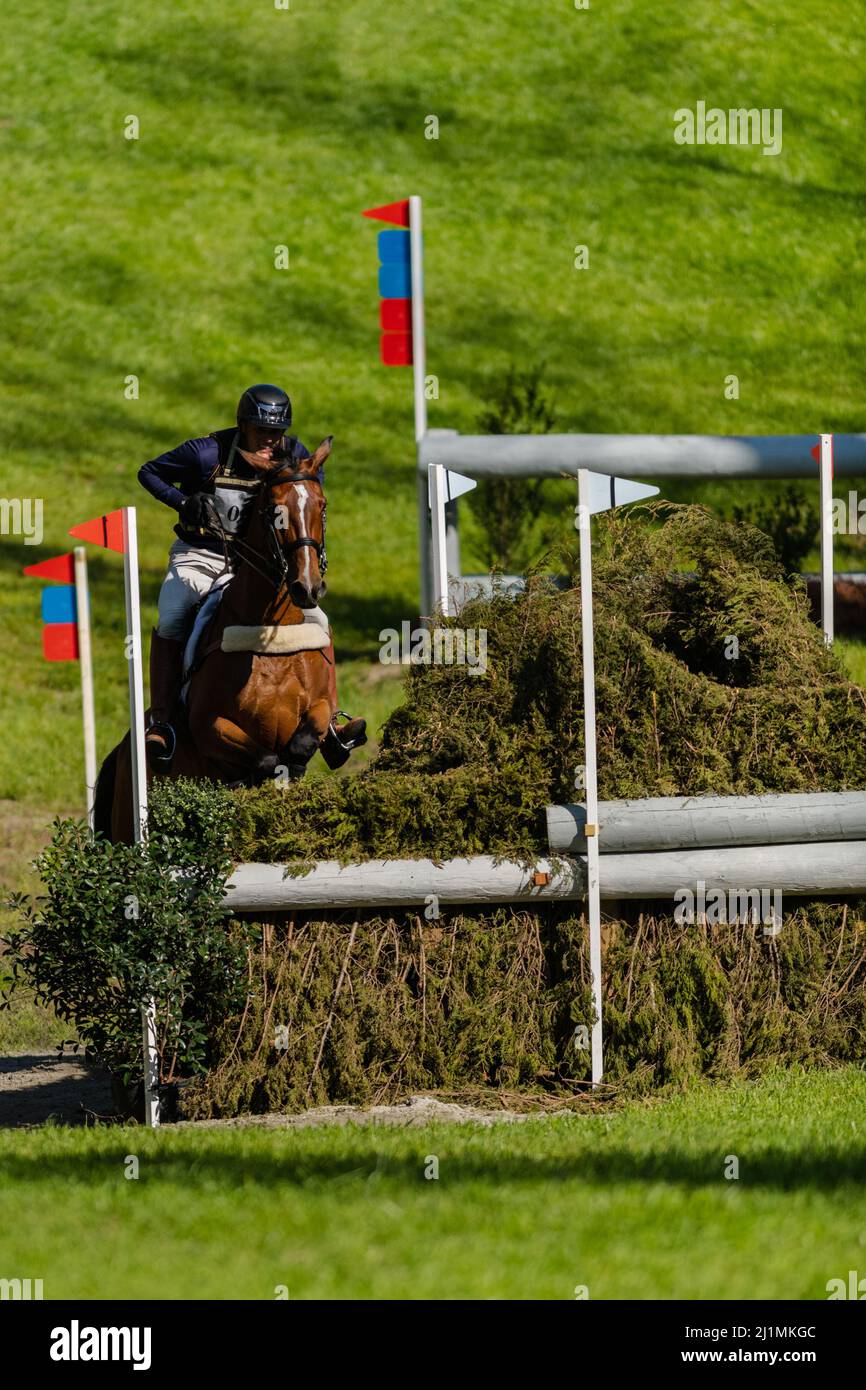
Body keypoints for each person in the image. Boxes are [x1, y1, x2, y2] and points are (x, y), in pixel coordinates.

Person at [137, 382, 366, 770]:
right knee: (174, 612)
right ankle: (162, 721)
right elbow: (149, 472)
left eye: (276, 433)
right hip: (201, 554)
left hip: (258, 563)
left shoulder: (293, 453)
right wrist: (183, 501)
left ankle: (330, 726)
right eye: (262, 432)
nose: (270, 442)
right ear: (243, 425)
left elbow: (306, 499)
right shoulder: (205, 453)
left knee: (320, 621)